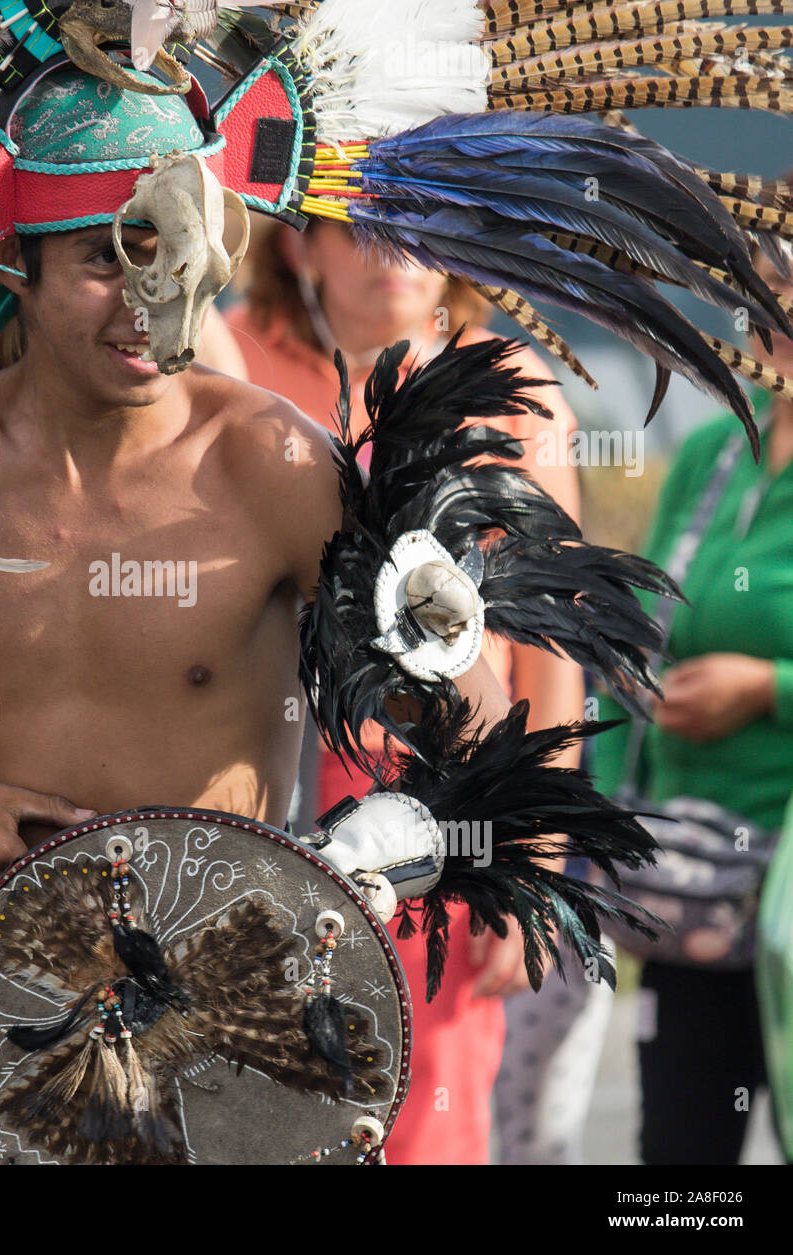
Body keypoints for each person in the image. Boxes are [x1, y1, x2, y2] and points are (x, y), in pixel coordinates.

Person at [0, 1, 786, 1164]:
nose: (145, 300)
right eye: (106, 259)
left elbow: (479, 757)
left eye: (169, 254)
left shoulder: (284, 466)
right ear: (22, 264)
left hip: (249, 1046)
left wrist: (339, 864)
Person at [228, 220, 592, 1165]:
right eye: (354, 228)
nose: (390, 254)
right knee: (263, 1096)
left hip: (454, 803)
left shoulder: (508, 383)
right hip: (254, 789)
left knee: (426, 1112)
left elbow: (555, 637)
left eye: (416, 227)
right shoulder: (236, 364)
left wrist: (537, 855)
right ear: (300, 247)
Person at [592, 242, 793, 1166]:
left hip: (783, 883)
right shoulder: (717, 445)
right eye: (768, 280)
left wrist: (768, 689)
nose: (777, 304)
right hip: (693, 888)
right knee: (678, 1174)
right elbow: (637, 639)